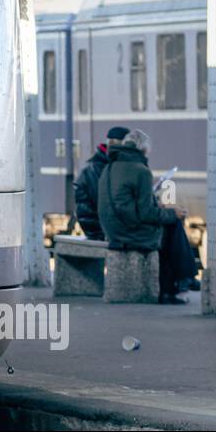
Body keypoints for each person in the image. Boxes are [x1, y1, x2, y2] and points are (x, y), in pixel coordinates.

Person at [96, 129, 191, 304]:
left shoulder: (109, 167)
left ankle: (180, 282)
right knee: (173, 226)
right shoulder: (141, 170)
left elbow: (131, 203)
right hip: (129, 232)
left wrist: (160, 207)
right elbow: (146, 213)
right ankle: (171, 289)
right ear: (144, 150)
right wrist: (172, 213)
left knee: (169, 223)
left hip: (112, 228)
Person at [73, 126, 129, 241]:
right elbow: (107, 203)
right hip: (100, 233)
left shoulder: (99, 166)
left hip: (103, 231)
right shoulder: (97, 170)